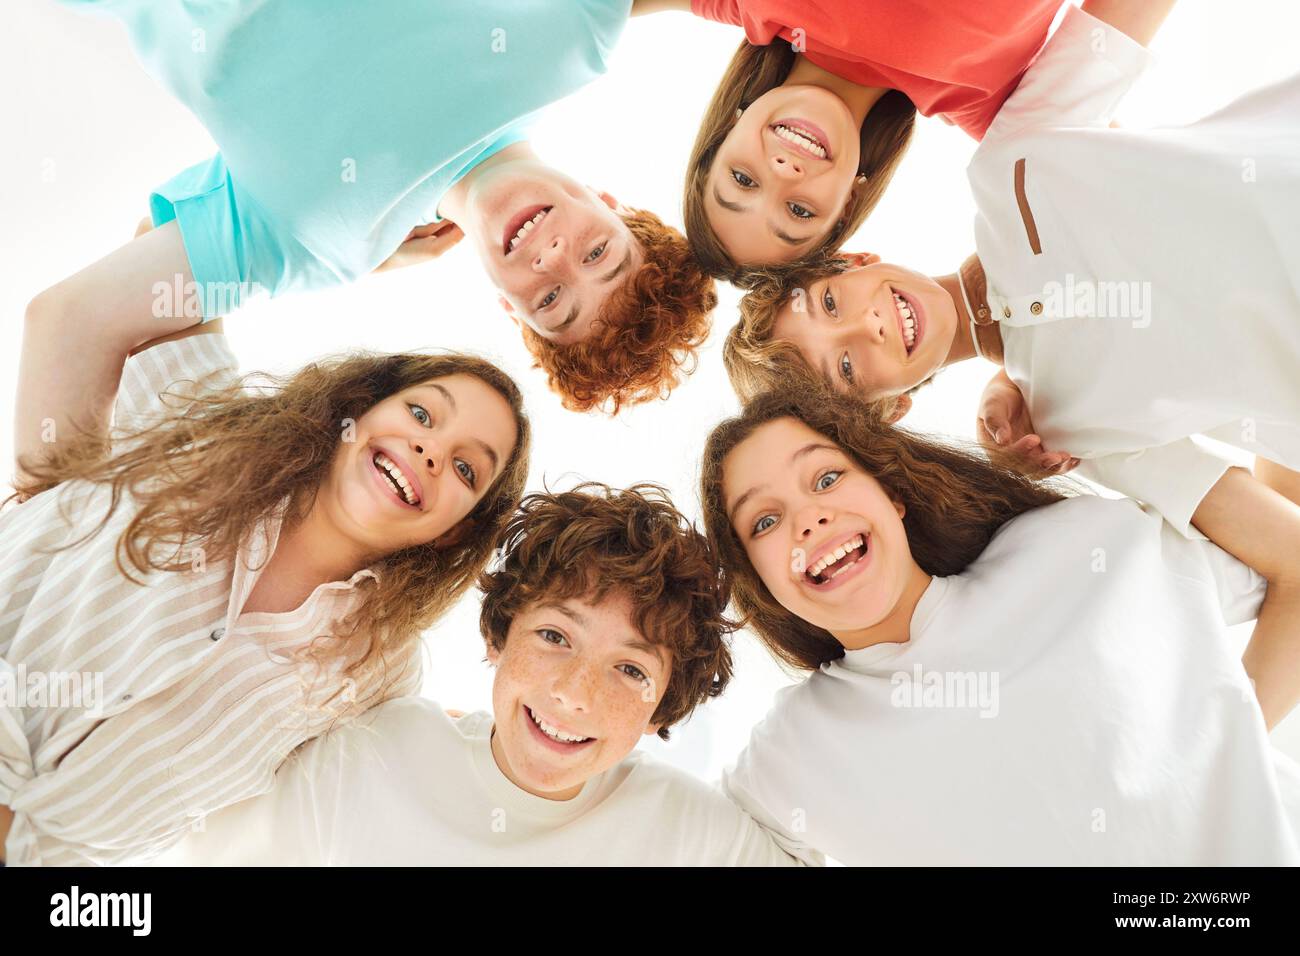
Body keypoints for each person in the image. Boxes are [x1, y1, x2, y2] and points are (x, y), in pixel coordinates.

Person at [1, 295, 529, 865]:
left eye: (465, 469)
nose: (430, 450)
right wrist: (360, 239)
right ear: (363, 406)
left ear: (455, 532)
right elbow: (168, 244)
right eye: (422, 415)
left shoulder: (380, 671)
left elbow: (444, 765)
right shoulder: (211, 427)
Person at [699, 385, 1300, 865]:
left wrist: (1223, 745)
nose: (807, 518)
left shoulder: (1077, 545)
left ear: (892, 494)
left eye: (827, 478)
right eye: (765, 522)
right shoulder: (794, 754)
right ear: (761, 584)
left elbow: (1290, 561)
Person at [157, 484, 806, 866]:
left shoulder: (684, 829)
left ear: (663, 708)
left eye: (630, 669)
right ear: (497, 636)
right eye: (555, 636)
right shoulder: (374, 752)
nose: (573, 694)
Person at [678, 0, 1124, 281]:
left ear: (724, 132)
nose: (781, 173)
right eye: (799, 210)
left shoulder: (747, 6)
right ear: (846, 203)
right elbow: (1125, 199)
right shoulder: (987, 107)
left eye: (742, 179)